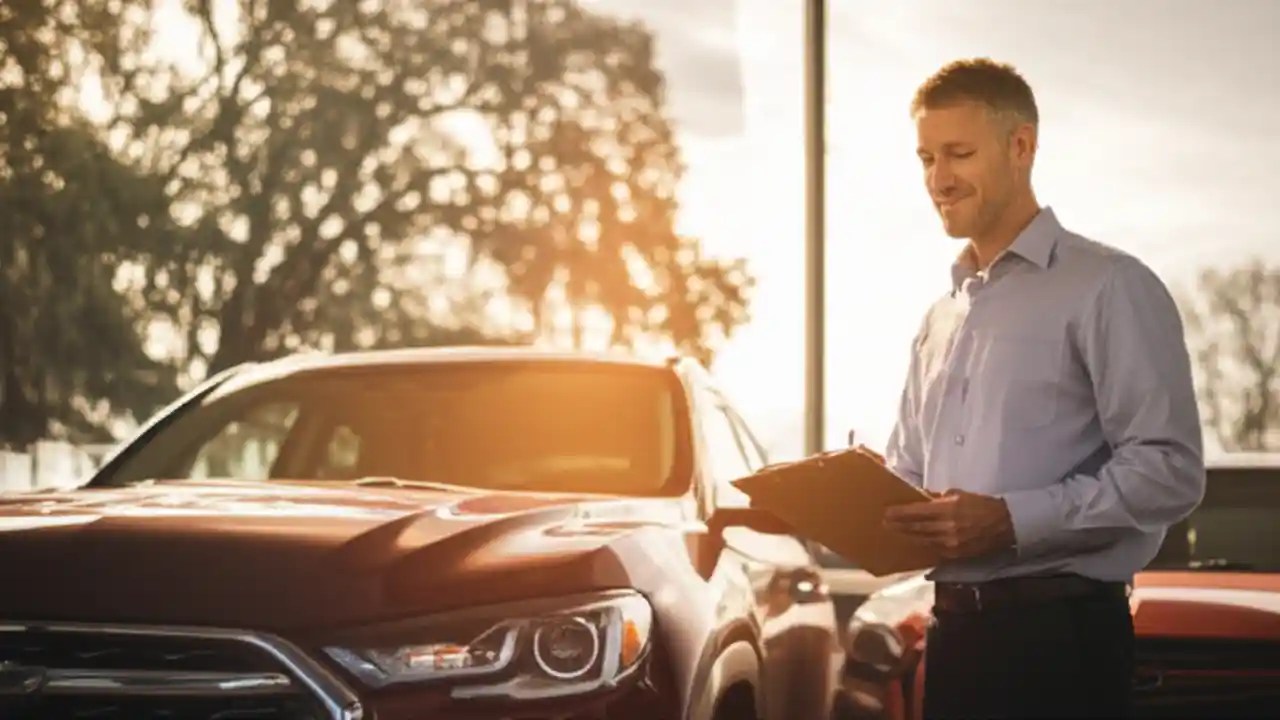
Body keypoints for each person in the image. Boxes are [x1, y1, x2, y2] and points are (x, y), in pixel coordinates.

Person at [880, 58, 1206, 719]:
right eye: (925, 157)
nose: (938, 179)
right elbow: (908, 473)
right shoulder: (939, 317)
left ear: (1020, 146)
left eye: (959, 153)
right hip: (951, 640)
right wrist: (839, 509)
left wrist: (1009, 521)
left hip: (1060, 644)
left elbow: (1170, 471)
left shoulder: (1110, 286)